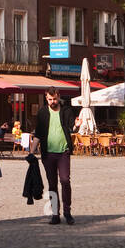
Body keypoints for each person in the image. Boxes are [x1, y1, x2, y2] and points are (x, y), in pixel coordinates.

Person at [33, 87, 77, 225]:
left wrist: (76, 125)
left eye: (55, 99)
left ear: (59, 97)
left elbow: (72, 126)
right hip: (48, 153)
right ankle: (55, 214)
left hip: (63, 152)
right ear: (46, 98)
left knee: (65, 180)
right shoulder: (42, 113)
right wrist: (31, 151)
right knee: (52, 184)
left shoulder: (66, 110)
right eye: (50, 99)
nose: (52, 101)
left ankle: (67, 212)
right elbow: (38, 133)